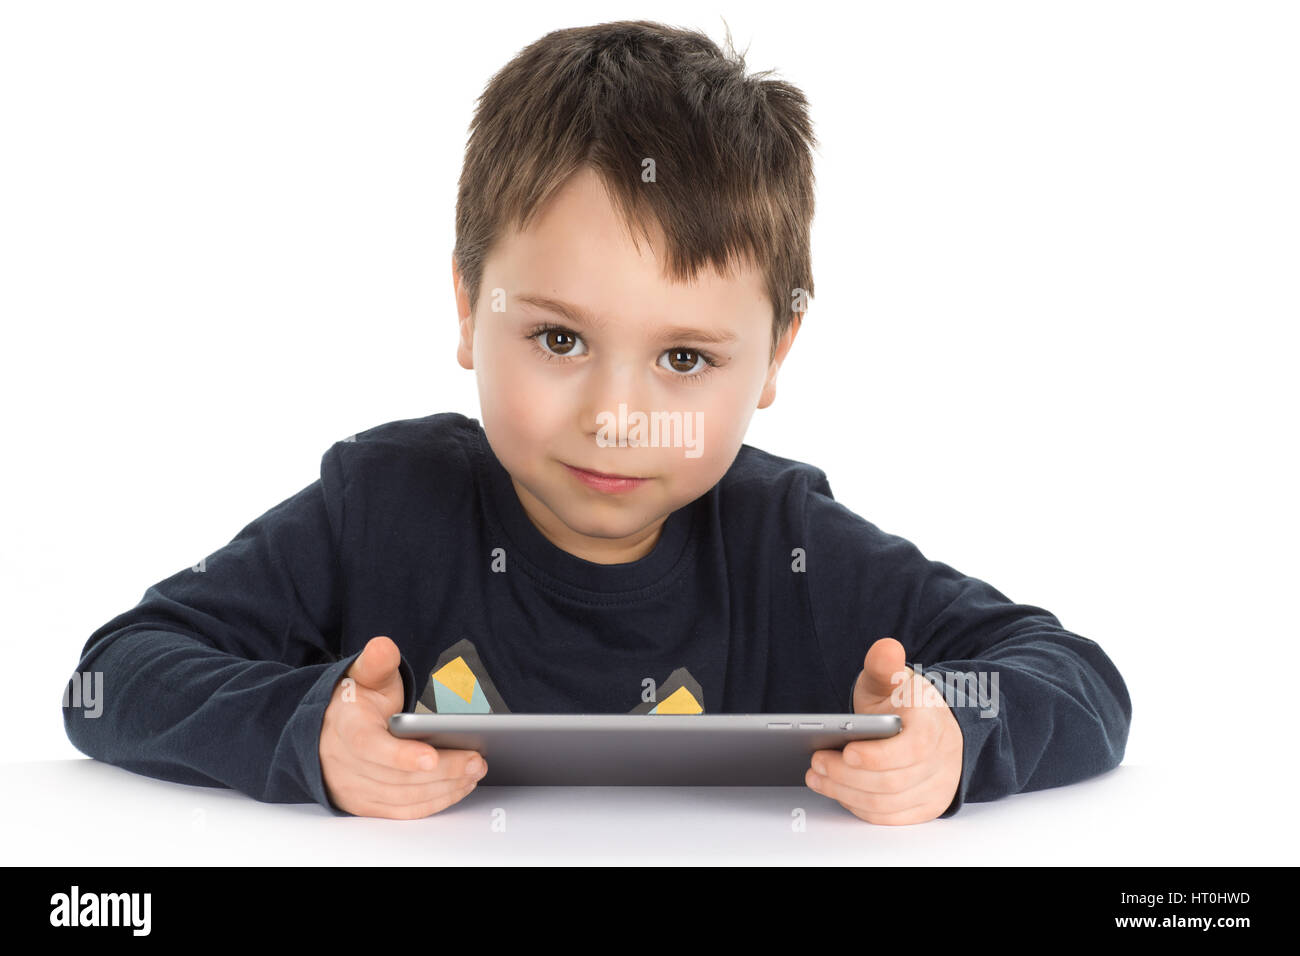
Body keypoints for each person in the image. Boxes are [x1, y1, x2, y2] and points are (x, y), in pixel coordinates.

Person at [64, 20, 1130, 824]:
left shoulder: (787, 541)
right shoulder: (378, 505)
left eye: (683, 358)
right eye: (561, 340)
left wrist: (950, 736)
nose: (618, 418)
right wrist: (307, 733)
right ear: (467, 309)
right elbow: (113, 675)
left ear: (774, 360)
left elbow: (1074, 675)